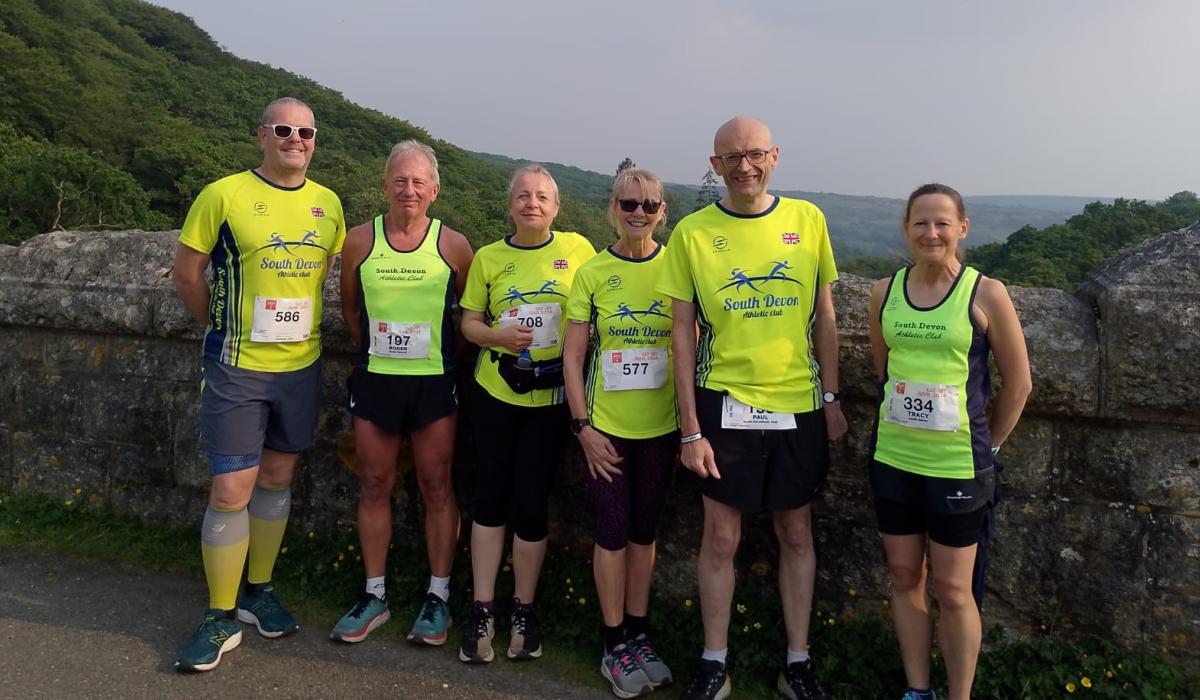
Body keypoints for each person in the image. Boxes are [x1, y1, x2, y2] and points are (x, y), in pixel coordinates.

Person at [656, 116, 847, 700]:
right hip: (724, 404)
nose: (744, 165)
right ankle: (714, 660)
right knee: (720, 537)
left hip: (798, 403)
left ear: (775, 157)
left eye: (755, 154)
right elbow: (682, 334)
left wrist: (833, 397)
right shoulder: (691, 231)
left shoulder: (807, 220)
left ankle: (798, 661)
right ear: (715, 166)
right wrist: (690, 427)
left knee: (795, 532)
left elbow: (826, 317)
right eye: (731, 157)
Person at [171, 97, 346, 672]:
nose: (295, 138)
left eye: (306, 131)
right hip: (238, 365)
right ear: (263, 135)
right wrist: (217, 328)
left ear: (315, 140)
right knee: (230, 488)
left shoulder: (329, 204)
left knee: (277, 477)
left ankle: (258, 590)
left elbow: (328, 275)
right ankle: (219, 613)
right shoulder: (222, 194)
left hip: (302, 365)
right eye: (284, 129)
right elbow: (187, 272)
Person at [867, 184, 1030, 700]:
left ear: (962, 228)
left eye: (942, 223)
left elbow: (1018, 383)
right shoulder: (884, 291)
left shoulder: (986, 293)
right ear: (906, 228)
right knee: (903, 576)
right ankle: (917, 689)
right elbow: (882, 368)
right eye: (920, 222)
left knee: (955, 590)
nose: (931, 233)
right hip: (893, 457)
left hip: (959, 464)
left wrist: (990, 446)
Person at [332, 141, 473, 645]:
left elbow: (469, 318)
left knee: (438, 487)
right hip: (377, 381)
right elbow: (350, 310)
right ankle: (374, 595)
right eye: (399, 179)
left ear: (434, 190)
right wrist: (378, 354)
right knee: (374, 483)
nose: (408, 189)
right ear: (384, 185)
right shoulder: (358, 241)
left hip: (435, 384)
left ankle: (438, 597)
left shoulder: (454, 246)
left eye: (418, 182)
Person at [457, 165, 596, 664]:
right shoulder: (490, 257)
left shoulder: (579, 251)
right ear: (509, 204)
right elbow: (469, 322)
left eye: (541, 196)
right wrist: (498, 336)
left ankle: (524, 609)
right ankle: (481, 608)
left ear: (556, 207)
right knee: (489, 499)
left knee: (532, 503)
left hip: (551, 400)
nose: (531, 203)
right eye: (522, 196)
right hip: (496, 394)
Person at [563, 167, 677, 697]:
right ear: (613, 207)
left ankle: (638, 630)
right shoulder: (591, 273)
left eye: (649, 206)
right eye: (629, 204)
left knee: (643, 535)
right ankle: (612, 641)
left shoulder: (678, 267)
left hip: (661, 429)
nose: (638, 214)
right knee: (610, 535)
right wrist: (583, 426)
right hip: (607, 430)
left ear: (662, 212)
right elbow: (574, 354)